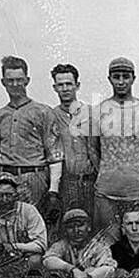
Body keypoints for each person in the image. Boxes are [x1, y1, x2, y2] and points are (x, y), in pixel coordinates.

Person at [0, 56, 63, 223]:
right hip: (5, 178)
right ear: (3, 82)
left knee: (32, 227)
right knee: (4, 226)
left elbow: (54, 155)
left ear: (27, 80)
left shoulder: (43, 112)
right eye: (10, 80)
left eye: (19, 80)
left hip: (33, 177)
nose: (15, 85)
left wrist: (53, 192)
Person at [90, 57, 139, 242]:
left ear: (133, 78)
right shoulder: (98, 111)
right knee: (108, 241)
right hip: (107, 190)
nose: (121, 81)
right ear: (109, 79)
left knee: (137, 240)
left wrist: (135, 170)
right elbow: (93, 149)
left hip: (137, 189)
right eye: (116, 76)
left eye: (125, 76)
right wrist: (107, 171)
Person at [50, 63, 98, 229]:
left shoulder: (92, 114)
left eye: (69, 84)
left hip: (92, 181)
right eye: (60, 85)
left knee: (93, 227)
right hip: (67, 182)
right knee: (68, 228)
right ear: (54, 87)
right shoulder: (51, 115)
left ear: (77, 85)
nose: (65, 88)